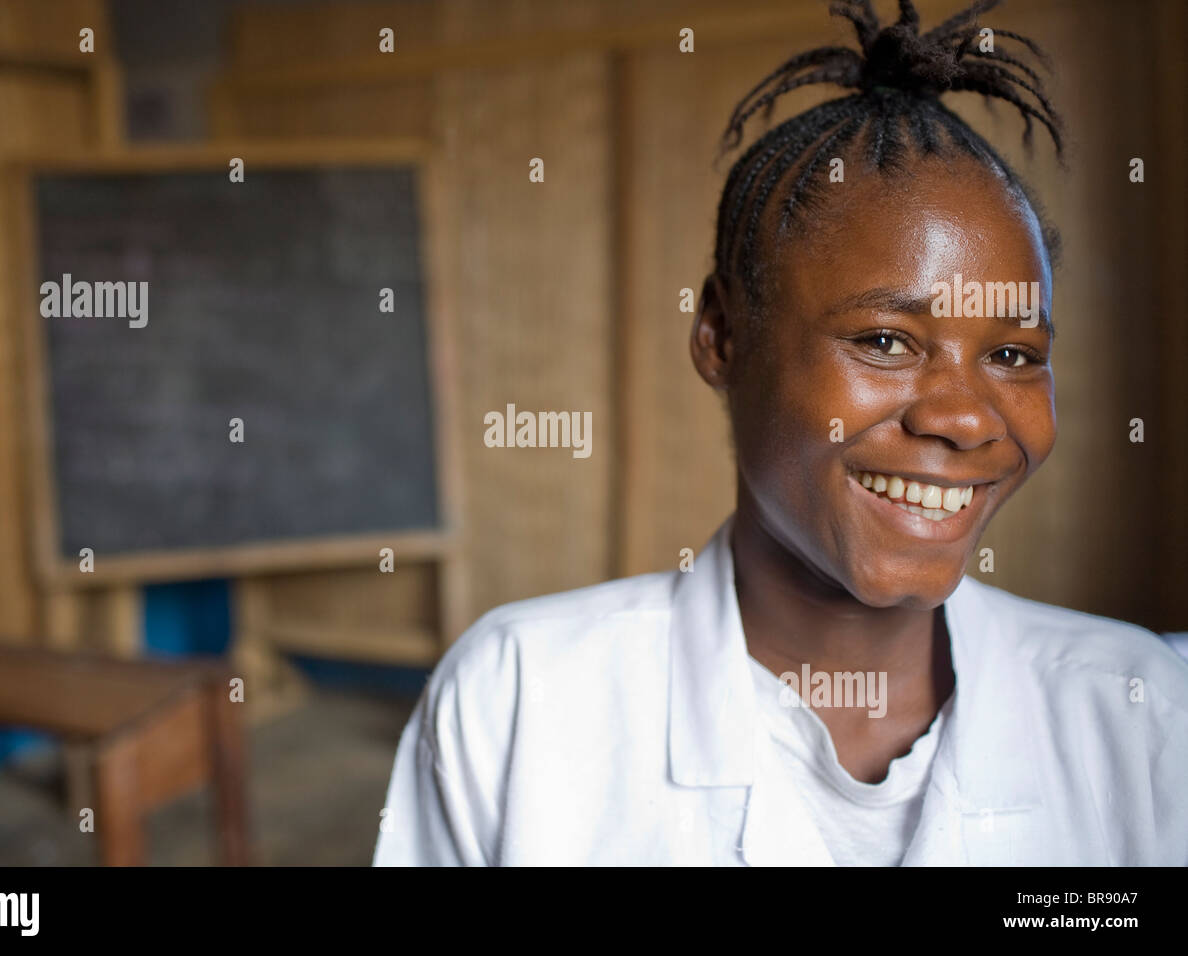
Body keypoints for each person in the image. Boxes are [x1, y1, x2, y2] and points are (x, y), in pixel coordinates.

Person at [372, 0, 1188, 866]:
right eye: (884, 341)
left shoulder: (1138, 709)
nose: (962, 416)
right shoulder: (518, 702)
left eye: (1016, 354)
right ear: (721, 337)